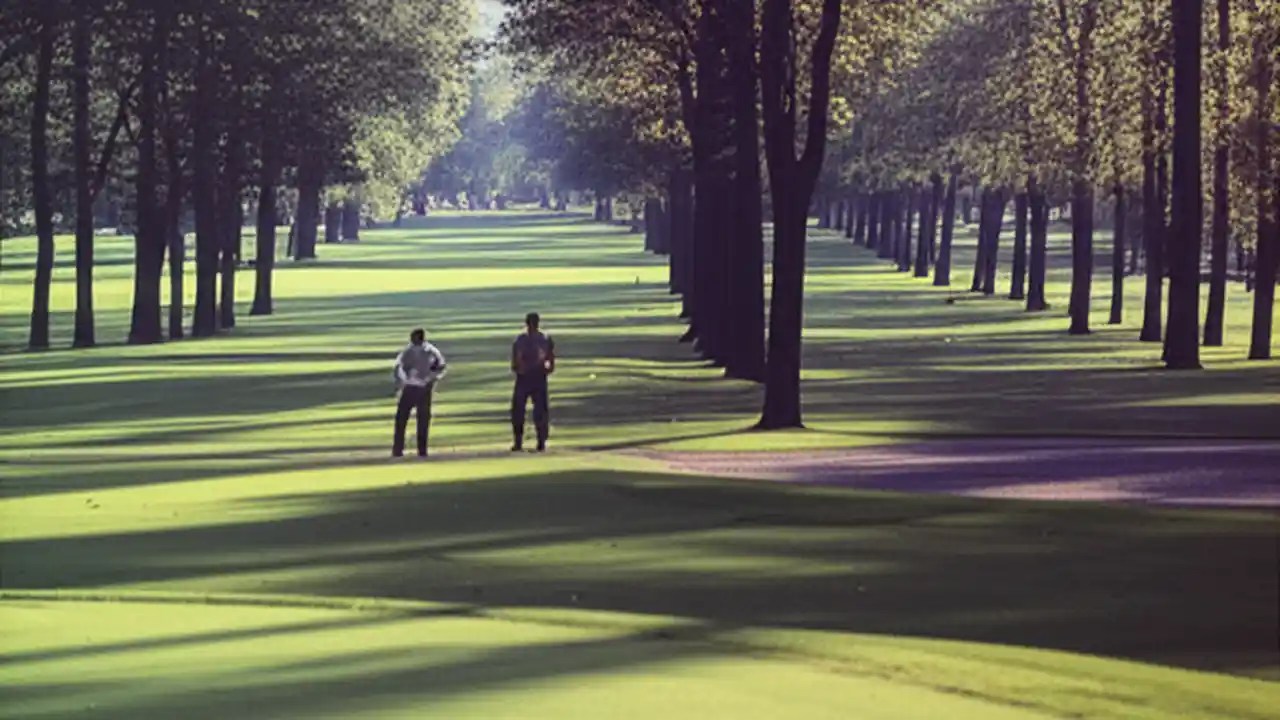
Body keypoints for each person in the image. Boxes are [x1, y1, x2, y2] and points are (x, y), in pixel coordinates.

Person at [392, 328, 446, 458]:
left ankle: (422, 451)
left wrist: (429, 379)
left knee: (423, 421)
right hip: (409, 388)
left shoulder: (430, 351)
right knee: (401, 419)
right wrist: (404, 380)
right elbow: (399, 368)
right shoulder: (407, 351)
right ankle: (397, 450)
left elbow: (440, 367)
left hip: (423, 389)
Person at [511, 312, 555, 452]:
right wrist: (549, 368)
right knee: (539, 410)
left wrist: (518, 367)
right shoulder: (544, 338)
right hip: (537, 376)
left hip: (526, 377)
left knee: (520, 410)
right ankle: (540, 441)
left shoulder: (521, 339)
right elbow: (550, 357)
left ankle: (520, 441)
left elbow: (517, 358)